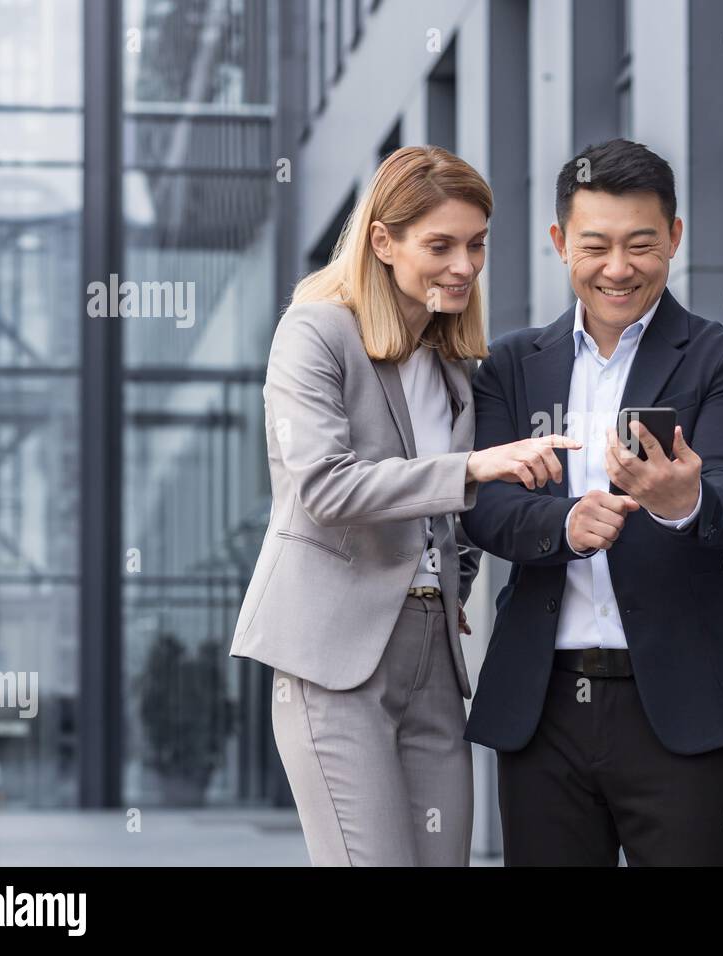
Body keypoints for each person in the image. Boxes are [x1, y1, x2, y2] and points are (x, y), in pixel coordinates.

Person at [229, 145, 577, 866]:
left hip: (433, 653)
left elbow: (451, 515)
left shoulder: (452, 363)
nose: (464, 265)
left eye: (476, 245)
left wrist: (456, 579)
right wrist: (471, 467)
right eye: (440, 246)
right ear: (383, 241)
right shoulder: (315, 332)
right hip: (334, 655)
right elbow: (324, 487)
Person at [461, 138, 723, 866]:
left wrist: (682, 500)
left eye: (640, 244)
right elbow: (481, 504)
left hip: (681, 705)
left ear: (674, 237)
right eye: (595, 246)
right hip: (542, 707)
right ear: (560, 243)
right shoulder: (509, 365)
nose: (618, 268)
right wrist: (566, 523)